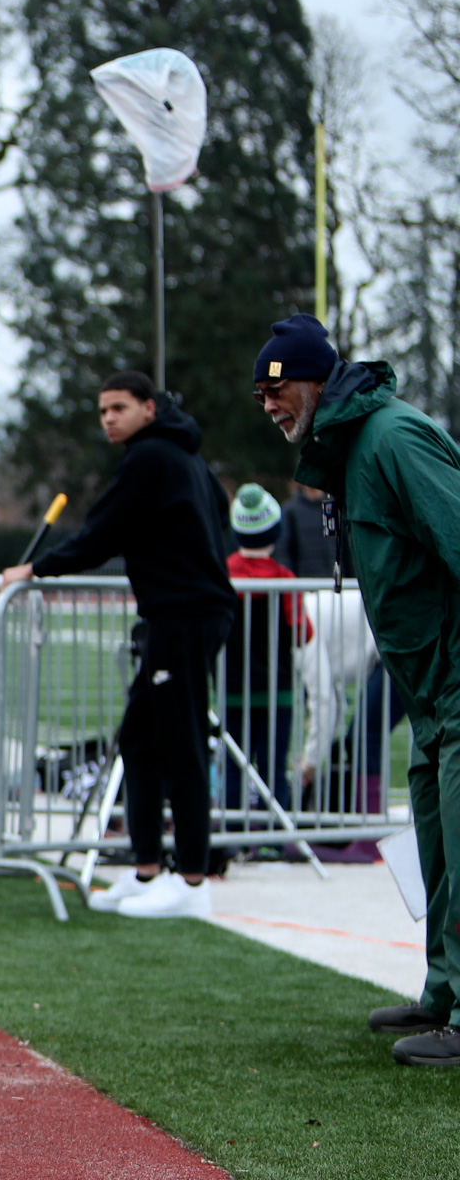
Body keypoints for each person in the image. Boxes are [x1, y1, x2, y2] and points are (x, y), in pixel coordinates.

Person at [253, 313, 460, 1065]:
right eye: (260, 397)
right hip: (429, 689)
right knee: (437, 845)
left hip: (455, 676)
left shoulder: (393, 440)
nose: (271, 405)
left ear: (317, 380)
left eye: (279, 390)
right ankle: (446, 992)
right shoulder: (351, 449)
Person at [2, 371, 233, 918]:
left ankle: (193, 883)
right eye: (103, 409)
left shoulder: (153, 457)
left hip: (186, 615)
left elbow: (102, 532)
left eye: (119, 408)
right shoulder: (178, 457)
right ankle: (147, 869)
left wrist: (35, 568)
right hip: (175, 613)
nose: (108, 418)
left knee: (182, 743)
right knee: (138, 736)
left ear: (149, 408)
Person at [217, 483, 311, 824]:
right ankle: (275, 833)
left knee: (231, 765)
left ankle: (229, 831)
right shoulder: (284, 579)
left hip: (231, 689)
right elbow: (303, 634)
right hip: (278, 691)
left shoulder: (221, 575)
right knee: (273, 765)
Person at [273, 482, 334, 579]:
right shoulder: (289, 510)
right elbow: (283, 551)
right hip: (303, 585)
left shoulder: (336, 508)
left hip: (337, 585)